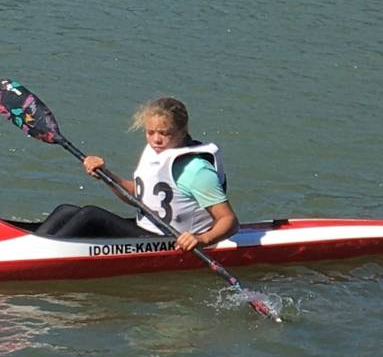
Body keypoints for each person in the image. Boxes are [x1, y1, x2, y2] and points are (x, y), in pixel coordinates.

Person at [34, 96, 237, 251]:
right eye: (150, 132)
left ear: (183, 131)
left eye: (165, 133)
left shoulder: (196, 170)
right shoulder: (156, 153)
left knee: (90, 215)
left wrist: (203, 239)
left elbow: (229, 221)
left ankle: (32, 257)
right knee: (66, 211)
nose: (156, 140)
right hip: (148, 231)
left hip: (172, 241)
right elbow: (138, 197)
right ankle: (30, 246)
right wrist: (107, 175)